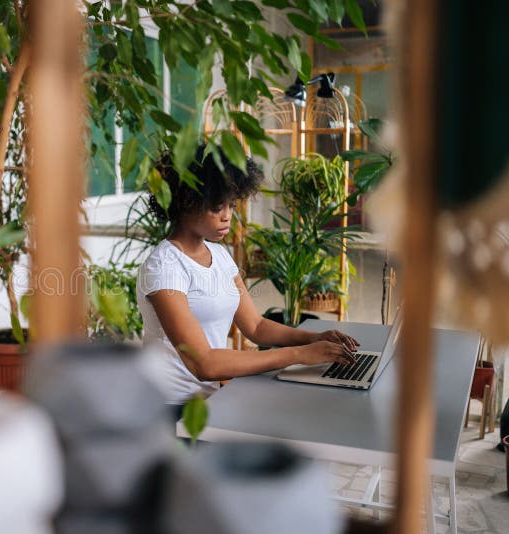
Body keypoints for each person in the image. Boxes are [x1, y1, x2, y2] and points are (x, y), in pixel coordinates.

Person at [136, 145, 359, 416]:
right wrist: (299, 355)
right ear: (187, 201)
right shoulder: (165, 267)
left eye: (231, 205)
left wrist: (314, 338)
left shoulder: (219, 254)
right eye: (217, 206)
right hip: (170, 408)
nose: (228, 215)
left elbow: (256, 325)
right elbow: (205, 364)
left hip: (208, 399)